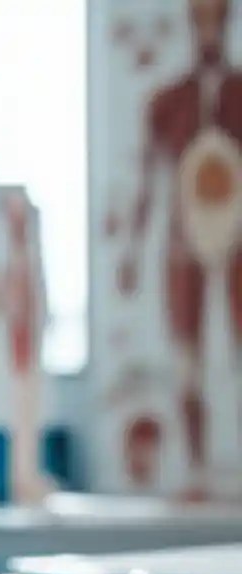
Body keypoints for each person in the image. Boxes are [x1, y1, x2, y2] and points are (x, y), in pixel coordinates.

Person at [125, 0, 242, 501]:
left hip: (237, 236)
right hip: (182, 239)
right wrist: (131, 249)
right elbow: (148, 181)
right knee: (186, 355)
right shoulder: (168, 101)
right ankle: (195, 465)